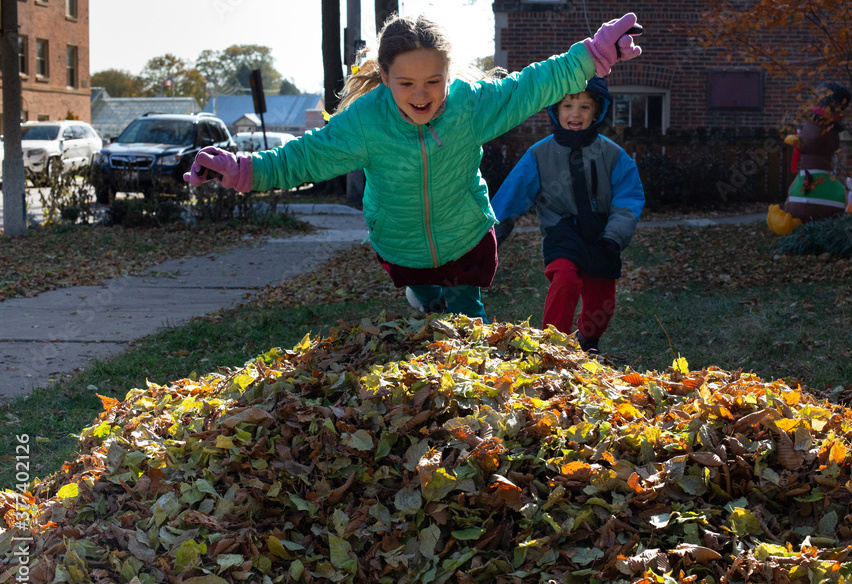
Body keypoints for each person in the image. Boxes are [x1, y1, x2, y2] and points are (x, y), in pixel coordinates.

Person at [185, 12, 643, 321]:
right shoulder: (367, 122)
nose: (421, 94)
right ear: (384, 78)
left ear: (449, 75)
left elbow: (530, 87)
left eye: (433, 81)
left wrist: (593, 56)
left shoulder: (469, 106)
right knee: (427, 301)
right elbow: (304, 156)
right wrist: (241, 169)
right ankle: (424, 297)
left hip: (466, 238)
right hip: (401, 246)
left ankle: (476, 389)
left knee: (468, 317)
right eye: (406, 83)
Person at [490, 77, 644, 354]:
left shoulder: (613, 155)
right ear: (555, 110)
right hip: (561, 231)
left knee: (602, 299)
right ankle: (551, 344)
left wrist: (614, 237)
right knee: (565, 278)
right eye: (568, 105)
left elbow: (628, 199)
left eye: (585, 107)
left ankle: (588, 342)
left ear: (597, 113)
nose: (575, 113)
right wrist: (488, 239)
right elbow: (511, 198)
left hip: (602, 234)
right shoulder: (539, 154)